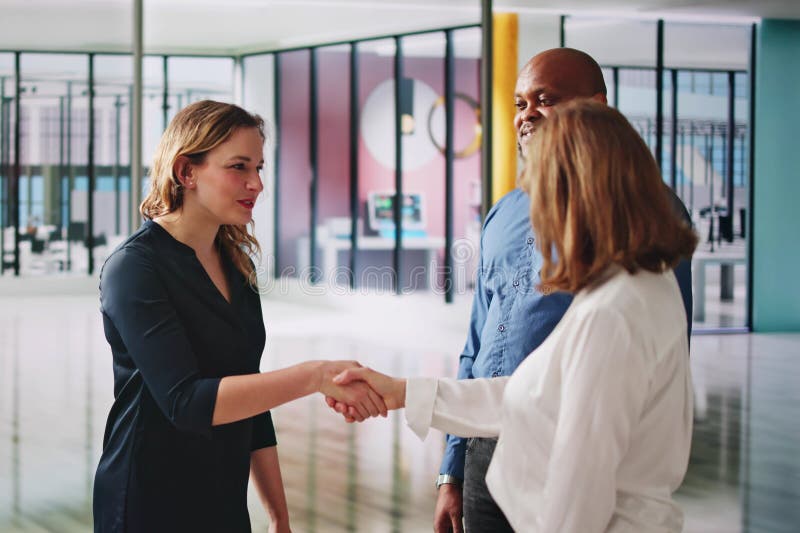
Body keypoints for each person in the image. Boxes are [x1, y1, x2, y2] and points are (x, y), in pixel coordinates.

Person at [332, 99, 699, 533]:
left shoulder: (613, 315)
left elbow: (578, 495)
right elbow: (536, 395)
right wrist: (402, 392)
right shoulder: (638, 285)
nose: (536, 212)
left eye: (540, 189)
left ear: (579, 193)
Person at [93, 100, 386, 533]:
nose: (256, 184)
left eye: (260, 168)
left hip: (222, 501)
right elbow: (186, 402)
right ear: (186, 172)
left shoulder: (236, 264)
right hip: (146, 502)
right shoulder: (135, 269)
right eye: (239, 167)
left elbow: (250, 394)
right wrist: (313, 375)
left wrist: (278, 515)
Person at [434, 47, 694, 533]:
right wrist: (451, 467)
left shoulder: (647, 216)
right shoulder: (502, 214)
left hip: (572, 451)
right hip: (484, 452)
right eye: (519, 103)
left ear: (596, 106)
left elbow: (659, 363)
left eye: (544, 99)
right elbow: (477, 347)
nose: (527, 114)